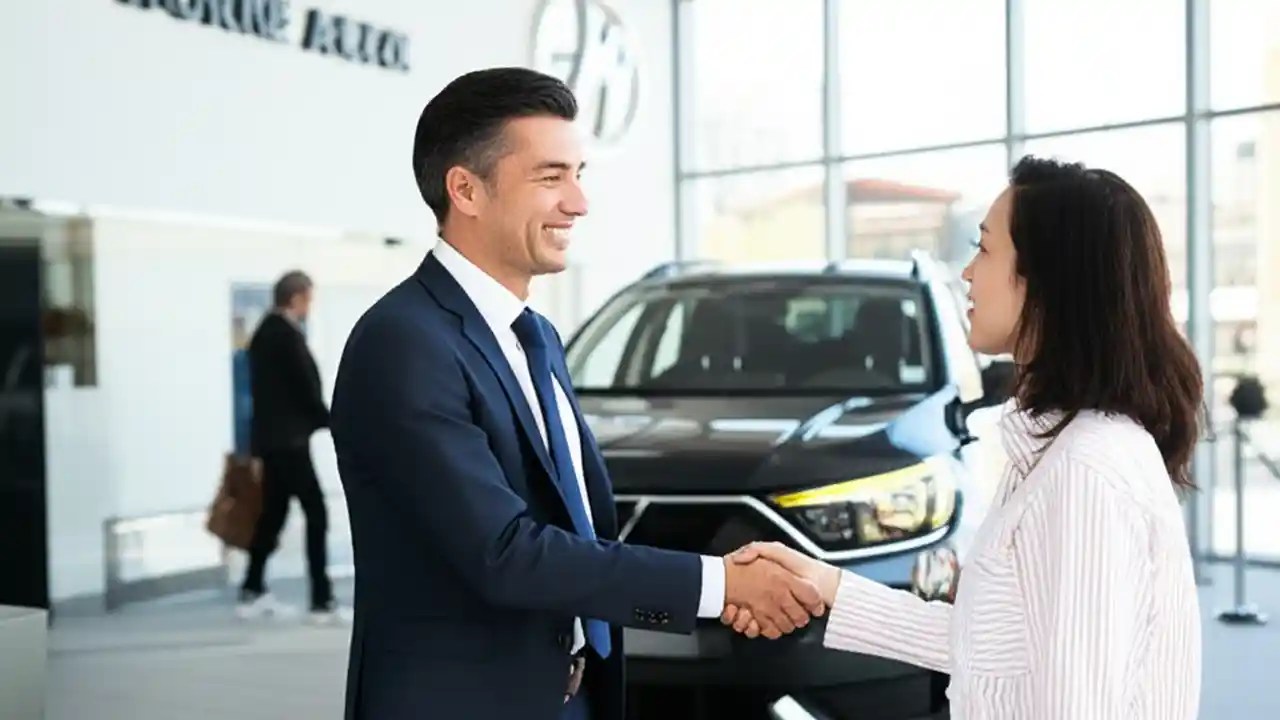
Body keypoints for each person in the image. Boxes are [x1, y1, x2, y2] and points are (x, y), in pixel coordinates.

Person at [328, 67, 824, 720]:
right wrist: (721, 585)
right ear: (466, 190)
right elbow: (503, 552)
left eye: (579, 174)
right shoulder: (404, 343)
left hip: (571, 694)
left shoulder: (536, 338)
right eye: (551, 176)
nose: (579, 202)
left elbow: (573, 525)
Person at [723, 156, 1203, 719]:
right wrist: (828, 584)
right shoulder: (1061, 451)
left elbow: (1075, 707)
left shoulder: (1085, 468)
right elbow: (993, 650)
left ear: (1048, 278)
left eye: (985, 248)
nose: (968, 272)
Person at [237, 270, 348, 624]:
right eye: (309, 298)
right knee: (316, 512)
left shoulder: (266, 333)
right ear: (297, 297)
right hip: (288, 443)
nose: (310, 305)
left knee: (274, 515)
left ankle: (252, 588)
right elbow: (302, 387)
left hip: (275, 442)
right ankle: (321, 599)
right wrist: (334, 421)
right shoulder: (282, 335)